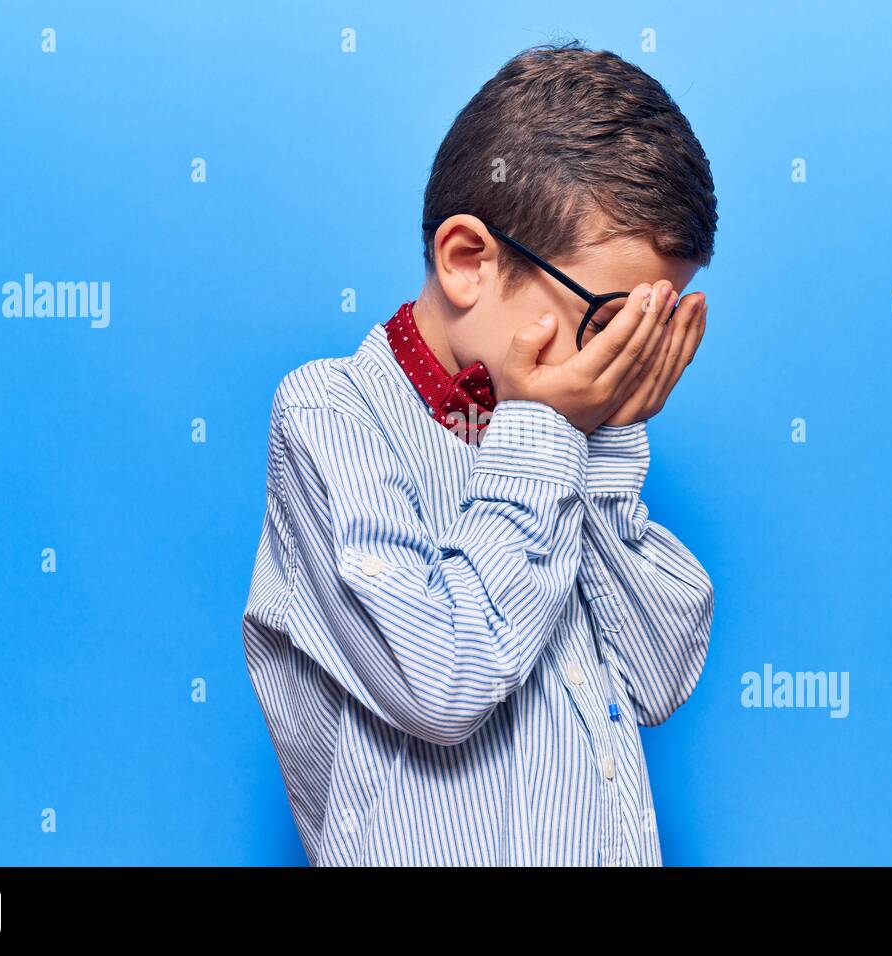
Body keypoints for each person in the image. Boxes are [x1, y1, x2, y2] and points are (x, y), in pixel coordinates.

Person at [242, 40, 717, 865]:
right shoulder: (329, 413)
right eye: (609, 320)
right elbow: (441, 682)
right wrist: (550, 434)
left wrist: (595, 438)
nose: (625, 356)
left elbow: (657, 674)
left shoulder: (570, 431)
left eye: (652, 326)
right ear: (468, 261)